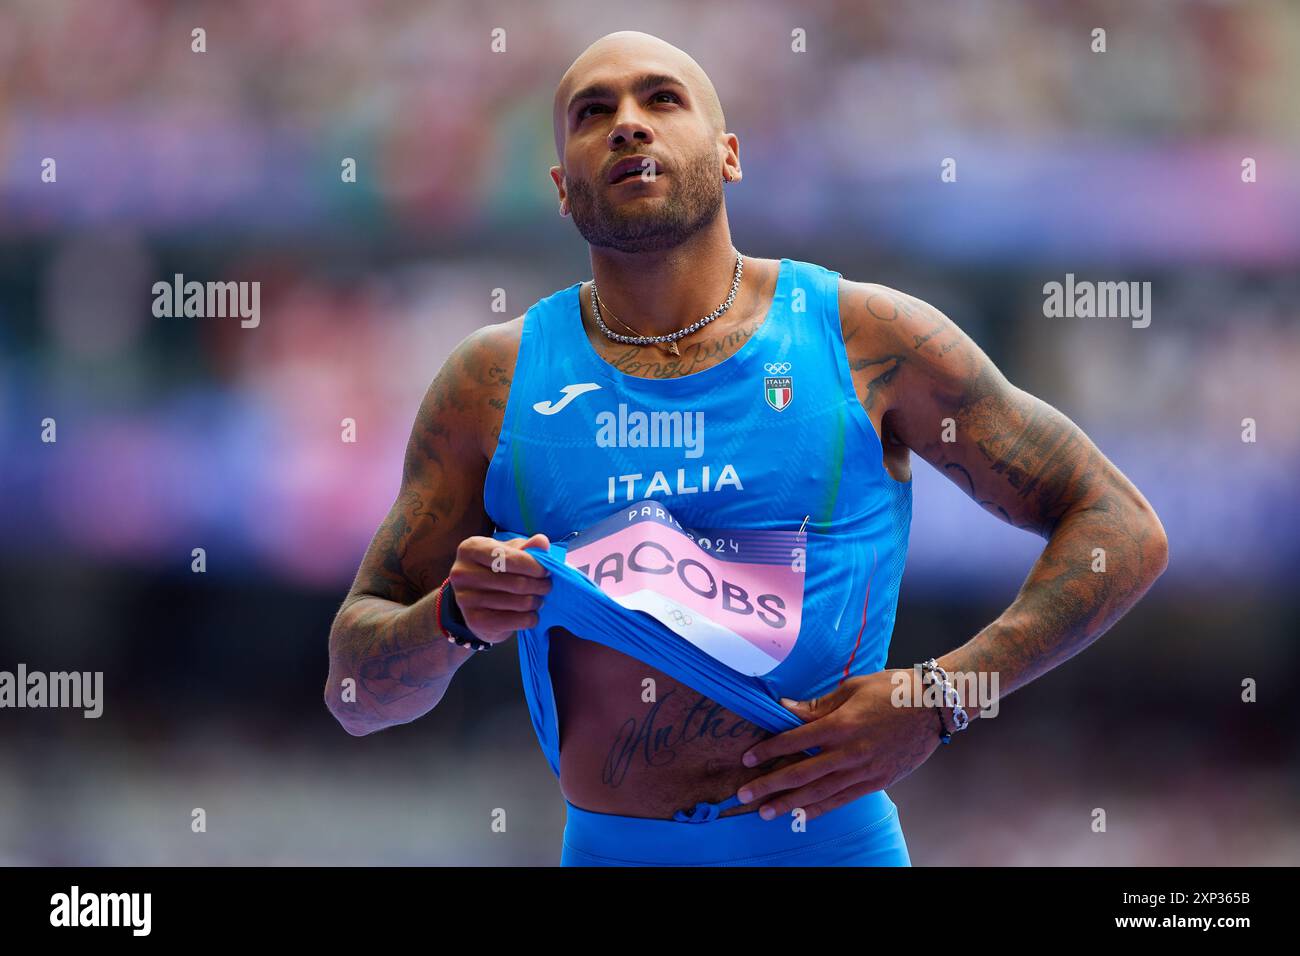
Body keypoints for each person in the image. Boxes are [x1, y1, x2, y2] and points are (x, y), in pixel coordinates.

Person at [324, 31, 1169, 866]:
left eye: (661, 98)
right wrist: (452, 619)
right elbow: (354, 693)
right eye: (593, 112)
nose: (627, 124)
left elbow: (1121, 527)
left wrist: (942, 695)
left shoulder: (867, 338)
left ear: (728, 153)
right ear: (560, 187)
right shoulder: (492, 382)